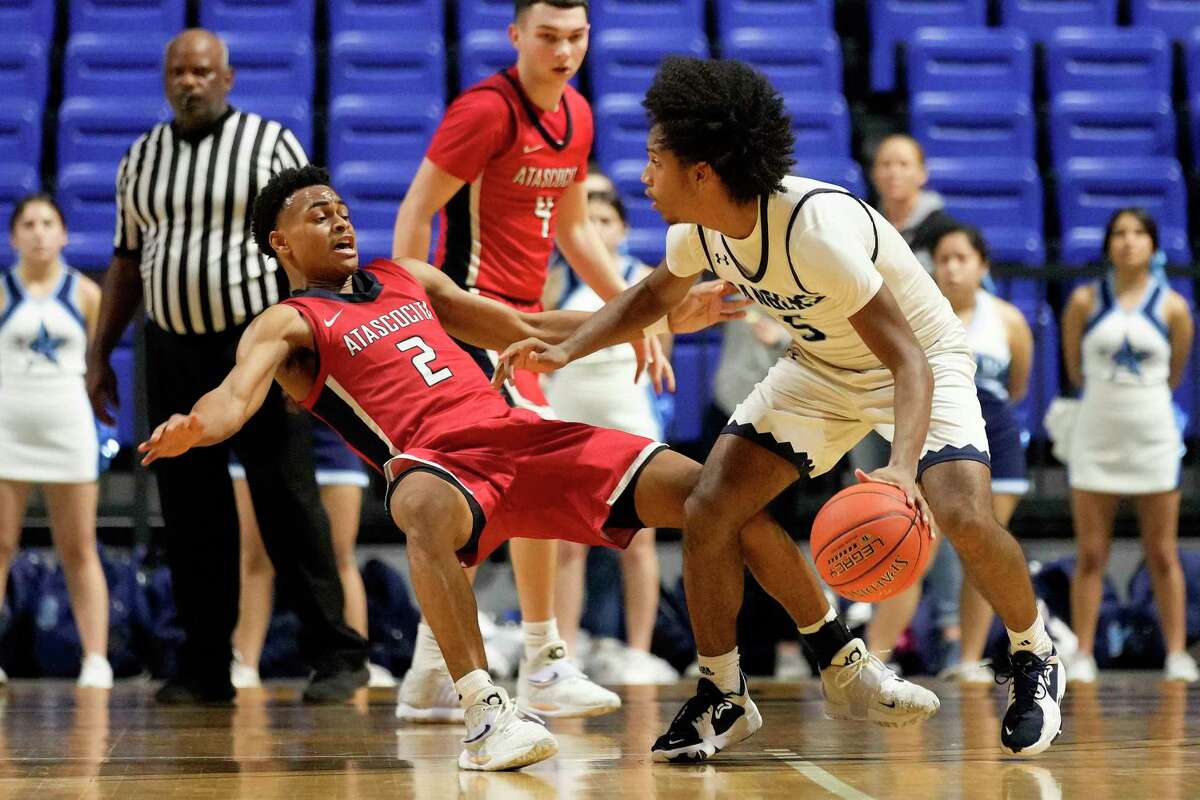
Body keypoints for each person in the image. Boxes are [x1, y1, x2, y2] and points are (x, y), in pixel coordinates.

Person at [497, 56, 1066, 759]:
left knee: (963, 514)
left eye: (655, 161)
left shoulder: (813, 231)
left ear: (702, 172)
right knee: (710, 507)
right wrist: (566, 349)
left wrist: (900, 468)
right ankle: (724, 692)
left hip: (920, 360)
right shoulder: (699, 230)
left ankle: (1033, 651)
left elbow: (907, 360)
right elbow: (647, 299)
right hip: (820, 366)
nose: (644, 177)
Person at [136, 165, 750, 770]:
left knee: (708, 491)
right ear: (281, 242)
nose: (341, 223)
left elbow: (527, 326)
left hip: (501, 432)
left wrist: (663, 317)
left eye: (343, 212)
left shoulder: (406, 276)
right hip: (434, 464)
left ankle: (732, 673)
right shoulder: (288, 321)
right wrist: (197, 424)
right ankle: (485, 713)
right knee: (421, 505)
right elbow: (234, 395)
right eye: (319, 217)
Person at [390, 0, 665, 720]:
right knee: (535, 468)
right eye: (548, 37)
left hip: (524, 329)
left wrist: (631, 312)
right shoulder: (485, 112)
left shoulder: (578, 114)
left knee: (477, 496)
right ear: (516, 36)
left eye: (576, 37)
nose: (563, 51)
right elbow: (416, 211)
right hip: (466, 318)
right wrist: (414, 315)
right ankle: (541, 659)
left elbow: (575, 232)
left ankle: (431, 671)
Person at [84, 29, 368, 704]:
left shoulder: (270, 144)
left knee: (287, 498)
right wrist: (99, 355)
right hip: (171, 347)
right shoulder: (141, 158)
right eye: (179, 72)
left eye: (203, 71)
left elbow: (316, 241)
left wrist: (313, 342)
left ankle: (336, 656)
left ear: (227, 78)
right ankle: (206, 666)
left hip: (258, 347)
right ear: (166, 79)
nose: (190, 82)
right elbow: (126, 261)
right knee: (190, 512)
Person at [865, 225, 1034, 682]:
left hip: (996, 435)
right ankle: (874, 660)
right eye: (943, 259)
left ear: (983, 265)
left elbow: (1018, 385)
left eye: (962, 258)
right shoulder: (917, 313)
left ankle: (969, 659)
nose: (952, 267)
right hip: (937, 434)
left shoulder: (1008, 319)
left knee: (982, 550)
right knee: (913, 548)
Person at [1060, 208, 1197, 684]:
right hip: (1096, 435)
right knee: (1091, 553)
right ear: (1107, 245)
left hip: (1153, 437)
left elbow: (1176, 371)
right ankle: (1082, 653)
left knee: (1162, 552)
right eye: (1119, 232)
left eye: (1139, 233)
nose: (1128, 241)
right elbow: (1074, 370)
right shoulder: (1083, 301)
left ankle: (1177, 653)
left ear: (1154, 246)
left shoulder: (1173, 307)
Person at [544, 189, 676, 683]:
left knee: (639, 542)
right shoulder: (557, 280)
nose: (597, 229)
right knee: (566, 545)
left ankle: (638, 652)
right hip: (566, 419)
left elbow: (662, 354)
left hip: (630, 416)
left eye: (606, 220)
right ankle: (564, 651)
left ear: (622, 229)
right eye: (589, 219)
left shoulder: (645, 279)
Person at [0, 194, 111, 689]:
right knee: (1, 545)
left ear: (64, 234)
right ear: (13, 236)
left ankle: (96, 658)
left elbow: (101, 368)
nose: (39, 232)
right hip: (8, 431)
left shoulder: (86, 293)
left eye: (48, 223)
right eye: (28, 224)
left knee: (79, 547)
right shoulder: (2, 292)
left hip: (69, 429)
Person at [228, 419, 396, 689]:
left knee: (340, 558)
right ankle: (245, 662)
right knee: (256, 558)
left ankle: (355, 660)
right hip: (262, 430)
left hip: (330, 430)